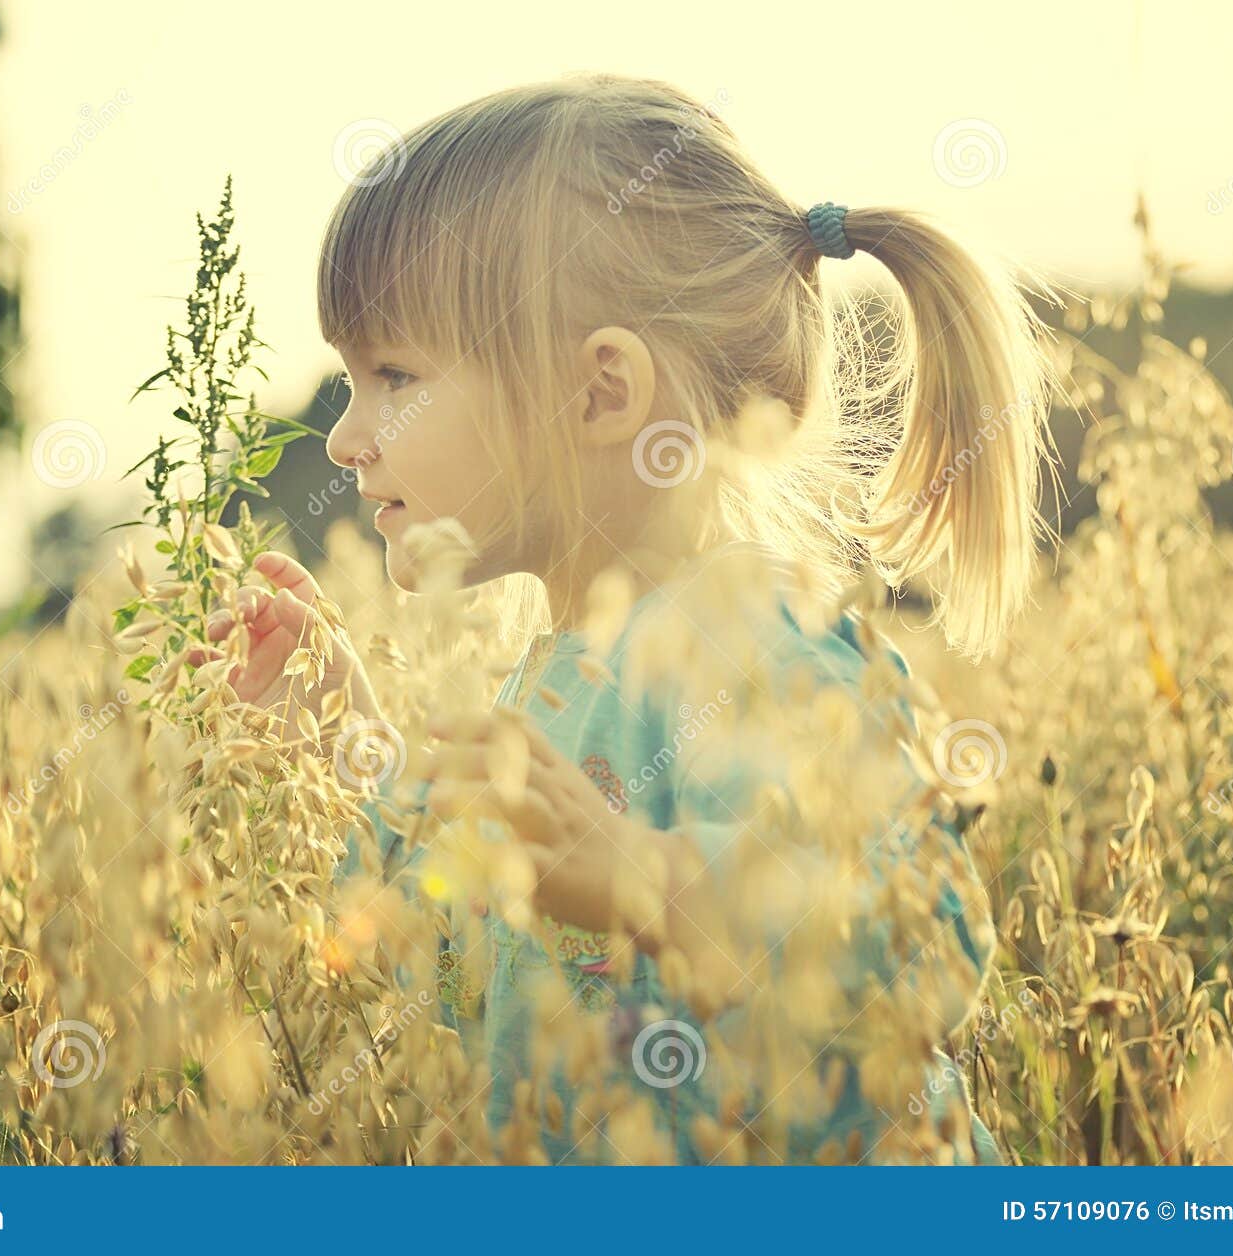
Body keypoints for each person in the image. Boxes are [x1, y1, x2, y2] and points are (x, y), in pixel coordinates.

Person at [203, 73, 1057, 1163]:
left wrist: (644, 876)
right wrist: (340, 736)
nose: (345, 438)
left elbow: (916, 951)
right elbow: (437, 960)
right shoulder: (552, 676)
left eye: (394, 375)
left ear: (602, 391)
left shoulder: (758, 648)